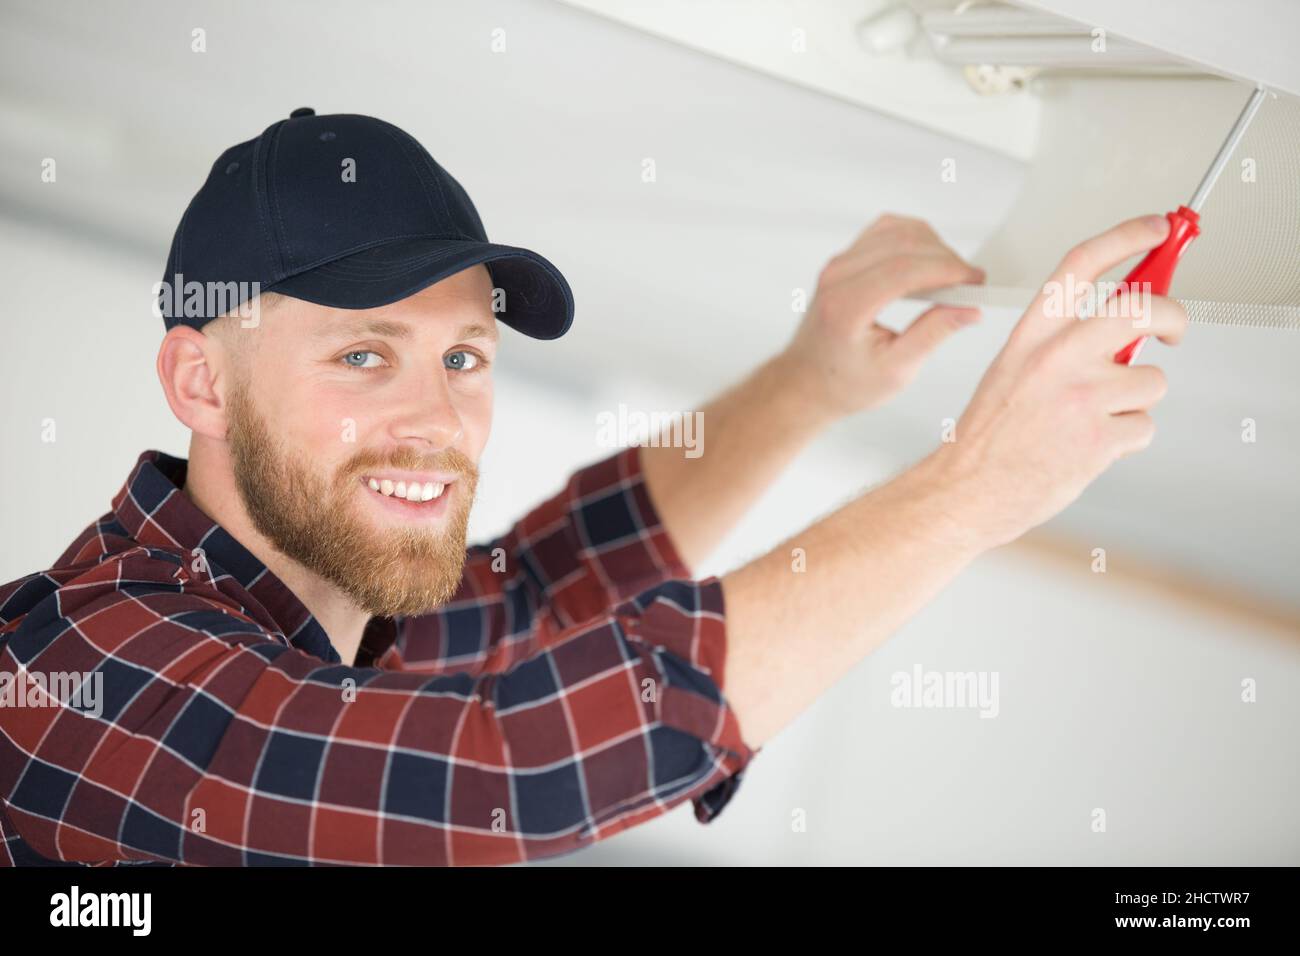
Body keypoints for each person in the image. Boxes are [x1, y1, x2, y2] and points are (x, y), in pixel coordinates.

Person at [0, 109, 1185, 866]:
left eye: (463, 356)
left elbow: (553, 592)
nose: (434, 421)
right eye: (364, 354)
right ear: (200, 380)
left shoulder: (319, 618)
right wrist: (969, 489)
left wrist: (807, 382)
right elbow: (494, 775)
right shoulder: (82, 672)